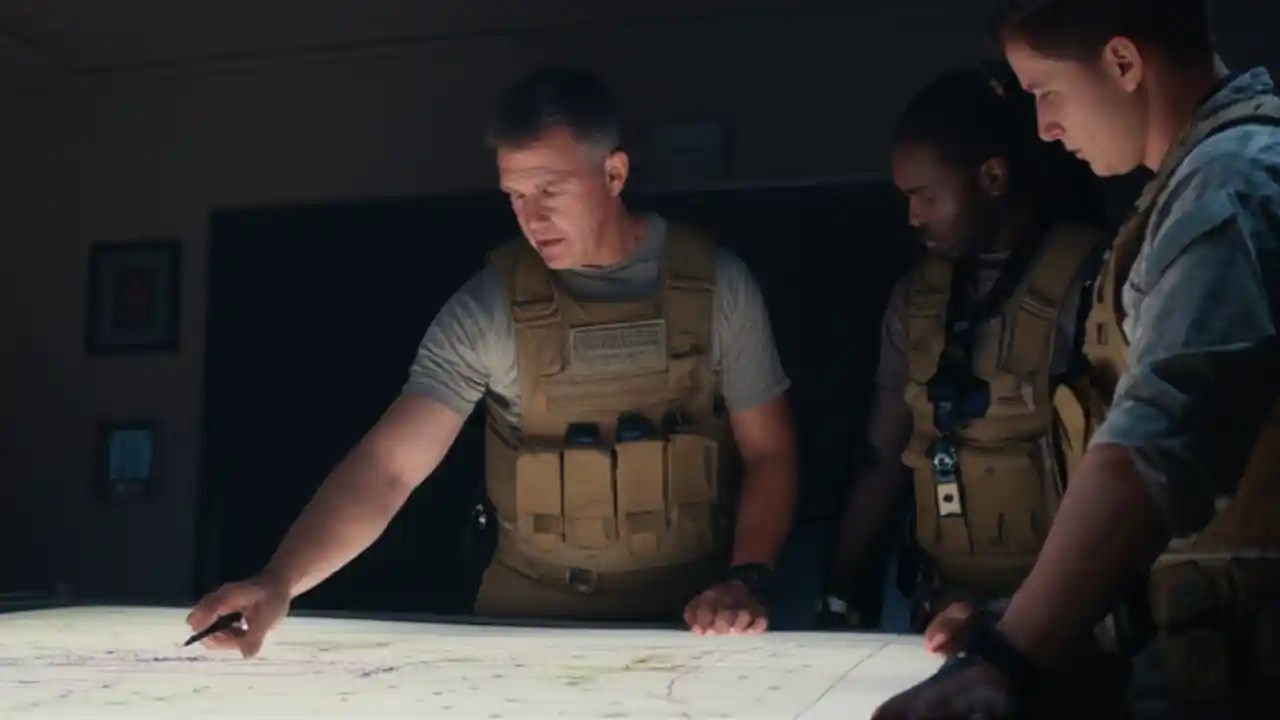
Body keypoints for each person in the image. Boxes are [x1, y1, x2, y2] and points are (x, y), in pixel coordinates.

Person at [187, 67, 800, 658]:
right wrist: (280, 580)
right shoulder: (491, 307)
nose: (532, 217)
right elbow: (388, 468)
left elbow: (770, 453)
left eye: (550, 190)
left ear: (614, 173)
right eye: (515, 195)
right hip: (529, 625)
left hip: (688, 621)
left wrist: (747, 579)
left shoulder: (717, 286)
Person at [873, 1, 1280, 718]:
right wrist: (1026, 617)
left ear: (1123, 63)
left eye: (1046, 93)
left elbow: (1154, 450)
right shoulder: (1192, 192)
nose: (1045, 128)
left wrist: (1010, 657)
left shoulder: (1226, 190)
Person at [823, 67, 1125, 715]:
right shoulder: (918, 299)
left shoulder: (1093, 280)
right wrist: (843, 585)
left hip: (1064, 626)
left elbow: (1129, 474)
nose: (912, 215)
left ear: (992, 178)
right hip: (941, 617)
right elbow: (884, 455)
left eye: (926, 194)